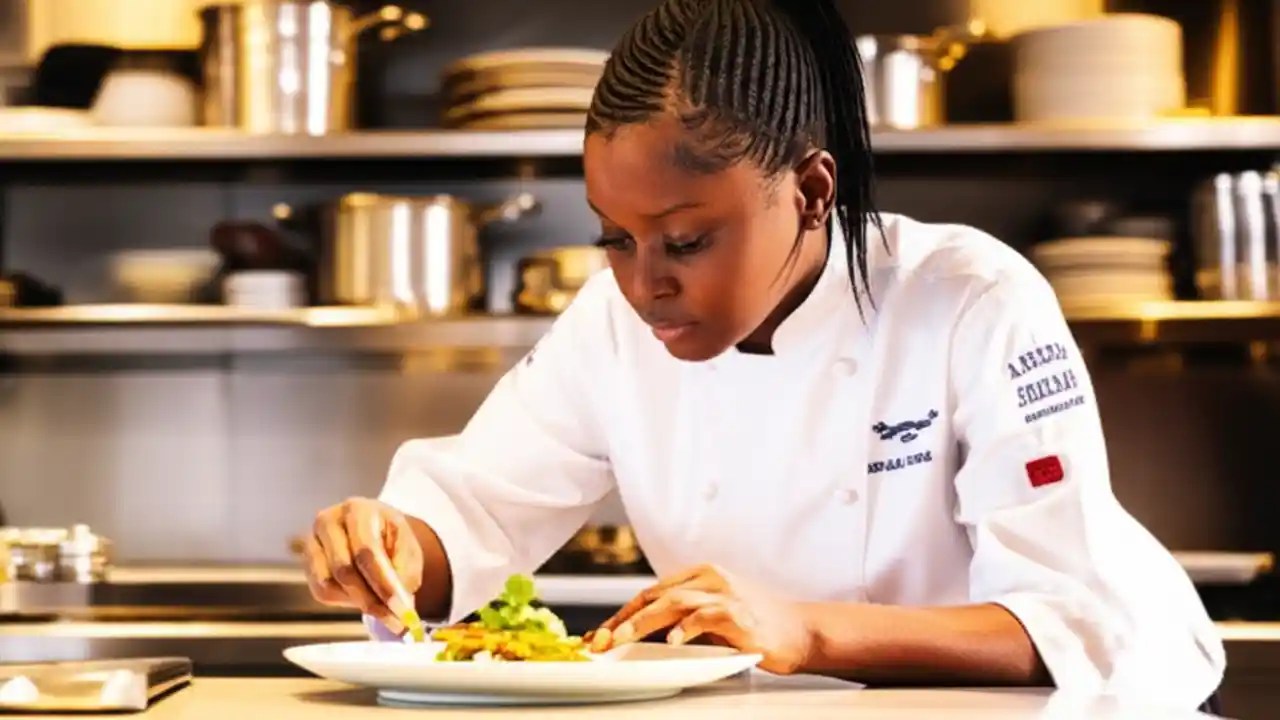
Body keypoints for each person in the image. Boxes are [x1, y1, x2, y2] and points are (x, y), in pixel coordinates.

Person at [303, 0, 1224, 709]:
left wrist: (803, 631)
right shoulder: (612, 324)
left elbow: (1074, 624)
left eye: (686, 240)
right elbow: (478, 508)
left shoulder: (969, 298)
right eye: (614, 238)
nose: (644, 284)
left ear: (812, 190)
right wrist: (391, 549)